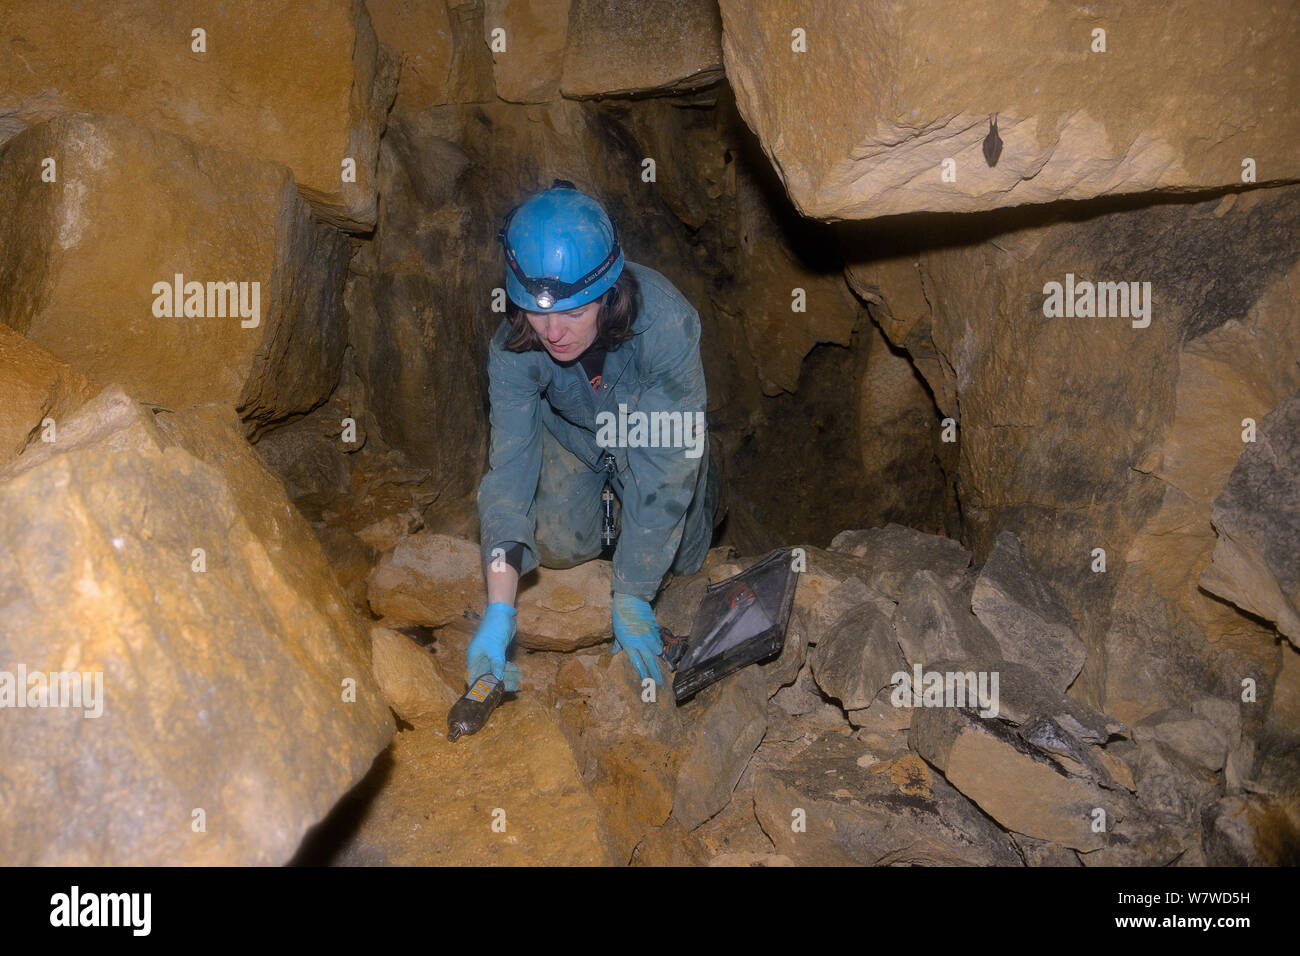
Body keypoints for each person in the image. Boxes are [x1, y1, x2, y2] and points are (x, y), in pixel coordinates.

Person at [466, 179, 719, 693]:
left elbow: (667, 466)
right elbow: (509, 472)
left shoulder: (667, 324)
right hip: (579, 439)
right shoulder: (514, 349)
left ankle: (713, 476)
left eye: (574, 312)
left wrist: (631, 594)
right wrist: (498, 609)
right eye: (538, 312)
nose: (552, 331)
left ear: (609, 294)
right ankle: (606, 511)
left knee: (685, 558)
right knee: (556, 545)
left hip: (657, 434)